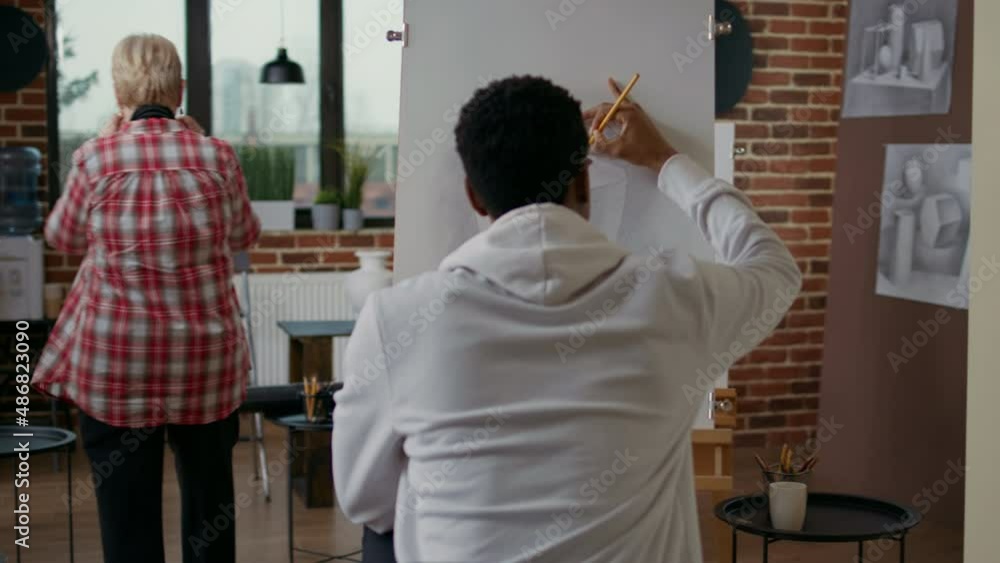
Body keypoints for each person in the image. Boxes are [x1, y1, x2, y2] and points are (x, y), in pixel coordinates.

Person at [332, 75, 802, 562]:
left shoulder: (397, 318)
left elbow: (363, 499)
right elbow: (775, 269)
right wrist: (665, 161)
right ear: (582, 180)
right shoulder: (678, 298)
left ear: (474, 195)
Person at [32, 34, 260, 563]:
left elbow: (61, 237)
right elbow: (245, 233)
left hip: (118, 364)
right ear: (180, 89)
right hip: (205, 364)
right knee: (210, 506)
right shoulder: (217, 156)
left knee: (127, 515)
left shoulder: (95, 158)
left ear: (118, 92)